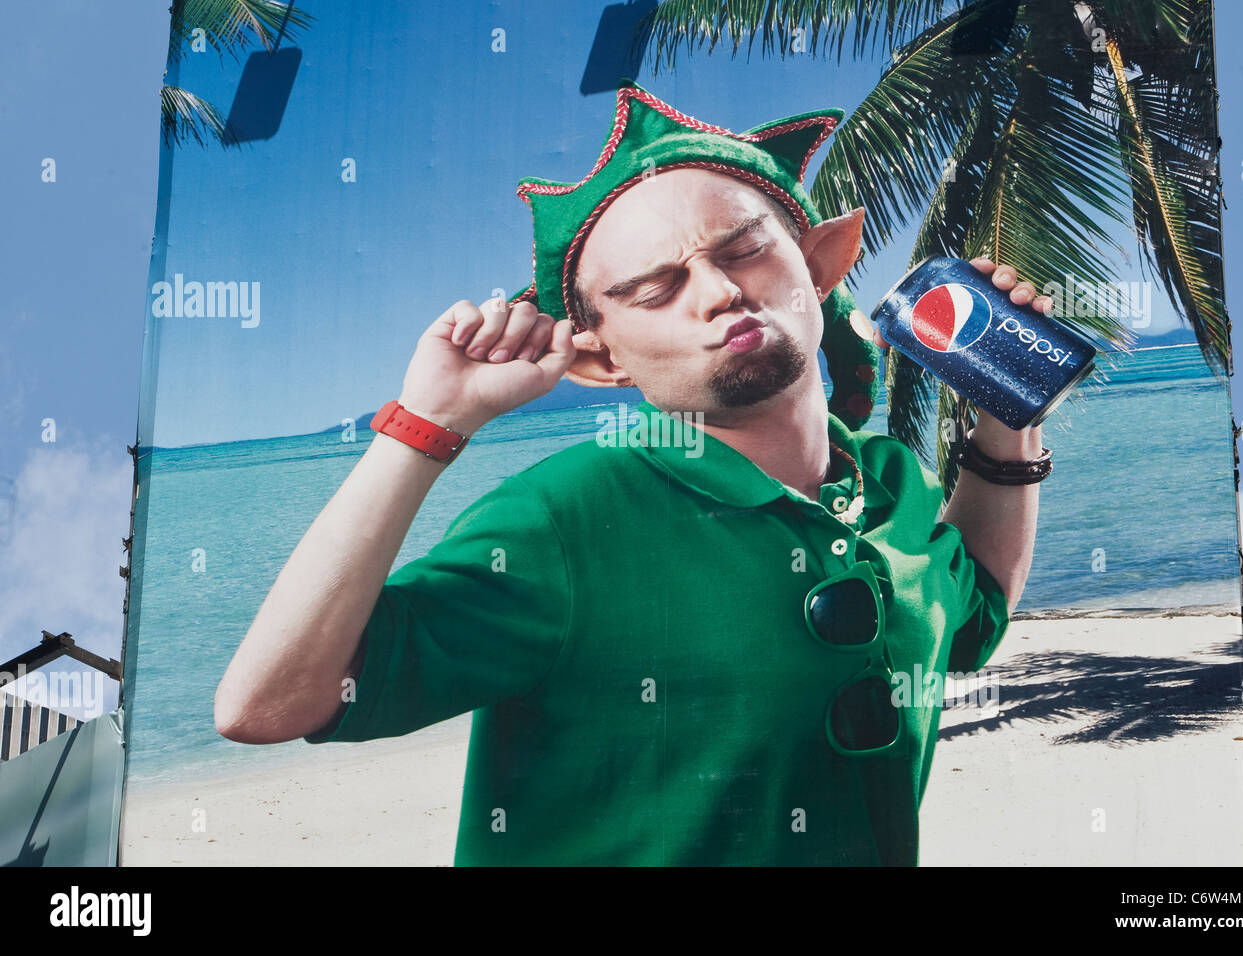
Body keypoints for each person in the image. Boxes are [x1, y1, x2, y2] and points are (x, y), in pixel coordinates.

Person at [214, 82, 1054, 865]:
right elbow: (269, 705)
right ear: (597, 359)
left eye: (747, 248)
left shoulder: (893, 482)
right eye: (655, 290)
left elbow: (972, 617)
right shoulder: (564, 519)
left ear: (820, 262)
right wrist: (425, 427)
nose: (719, 291)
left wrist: (1007, 416)